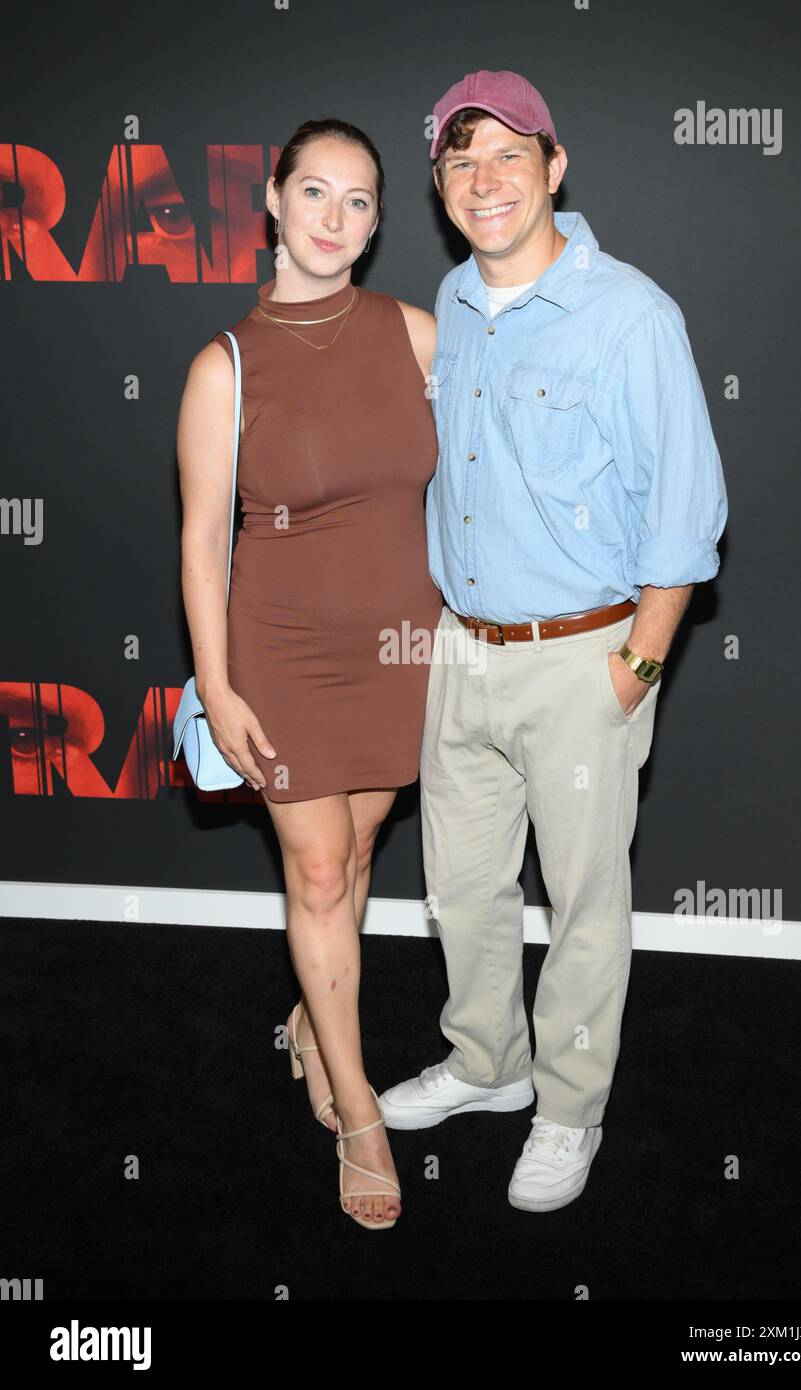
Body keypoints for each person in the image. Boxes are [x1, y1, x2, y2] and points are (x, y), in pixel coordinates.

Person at [379, 71, 728, 1211]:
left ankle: (568, 1107)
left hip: (585, 657)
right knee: (464, 888)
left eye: (506, 157)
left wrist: (636, 664)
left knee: (581, 902)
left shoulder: (630, 314)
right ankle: (486, 1062)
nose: (484, 182)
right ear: (439, 185)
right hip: (461, 651)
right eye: (459, 162)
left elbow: (683, 517)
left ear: (554, 165)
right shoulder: (451, 300)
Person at [176, 119, 443, 1230]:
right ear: (274, 205)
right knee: (321, 872)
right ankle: (357, 1103)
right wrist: (219, 682)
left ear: (379, 221)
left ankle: (308, 1015)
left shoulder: (421, 336)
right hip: (278, 648)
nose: (335, 219)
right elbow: (199, 543)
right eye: (315, 194)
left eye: (360, 201)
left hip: (403, 649)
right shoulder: (221, 365)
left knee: (362, 845)